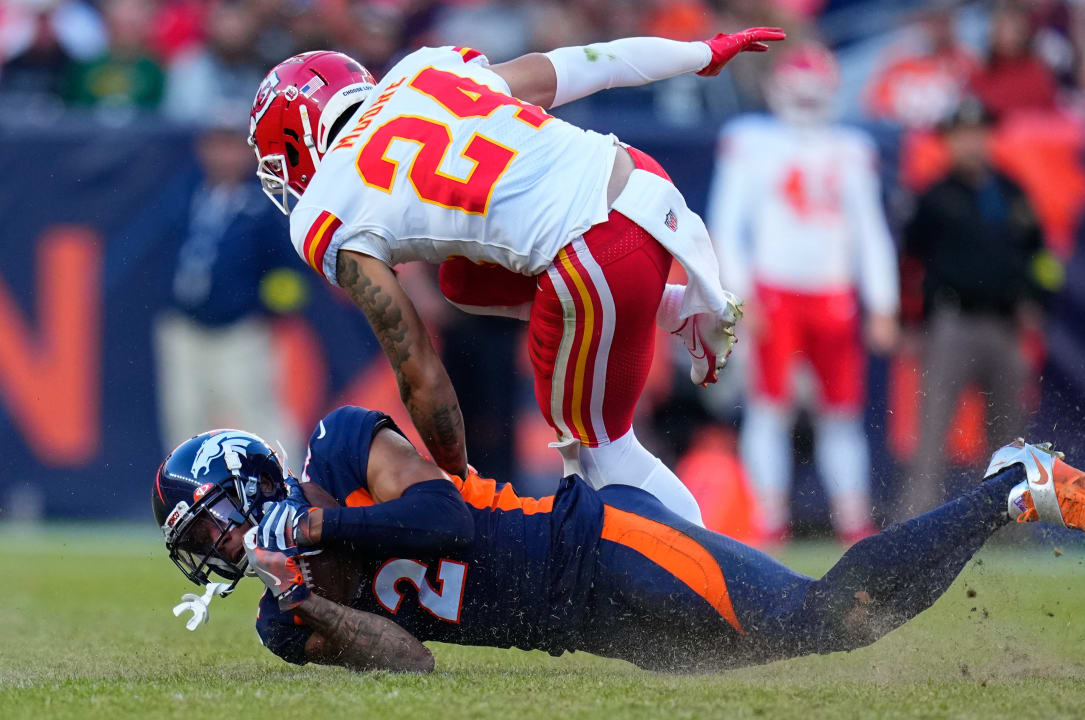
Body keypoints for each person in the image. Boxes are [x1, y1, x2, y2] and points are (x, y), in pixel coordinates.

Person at [246, 30, 786, 526]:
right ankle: (671, 307)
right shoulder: (423, 71)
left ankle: (721, 586)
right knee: (460, 282)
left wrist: (457, 480)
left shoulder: (324, 210)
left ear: (299, 140)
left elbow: (419, 370)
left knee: (598, 453)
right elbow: (584, 63)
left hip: (594, 249)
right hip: (640, 182)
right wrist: (699, 53)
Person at [151, 406, 1085, 673]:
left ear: (249, 486)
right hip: (592, 629)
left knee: (827, 613)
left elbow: (443, 516)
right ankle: (1008, 490)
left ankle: (1011, 482)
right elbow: (409, 663)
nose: (212, 548)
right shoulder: (287, 619)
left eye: (209, 522)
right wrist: (300, 587)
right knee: (833, 629)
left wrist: (319, 523)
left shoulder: (339, 448)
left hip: (598, 546)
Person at [708, 43, 898, 546]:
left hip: (833, 296)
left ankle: (852, 520)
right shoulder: (751, 140)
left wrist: (883, 303)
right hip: (775, 294)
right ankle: (767, 518)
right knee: (769, 410)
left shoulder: (852, 148)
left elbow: (870, 230)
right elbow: (727, 224)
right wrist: (741, 296)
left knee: (841, 413)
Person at [899, 98, 1047, 520]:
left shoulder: (1011, 192)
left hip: (1004, 326)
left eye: (977, 134)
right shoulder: (934, 197)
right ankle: (916, 524)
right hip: (951, 323)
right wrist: (910, 321)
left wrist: (1036, 299)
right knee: (932, 434)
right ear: (948, 142)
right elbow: (907, 264)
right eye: (961, 136)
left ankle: (1013, 528)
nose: (970, 143)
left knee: (1011, 440)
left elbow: (1041, 257)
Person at [154, 117, 306, 467]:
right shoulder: (188, 191)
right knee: (184, 418)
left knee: (258, 416)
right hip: (184, 323)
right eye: (216, 144)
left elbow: (289, 271)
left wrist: (266, 309)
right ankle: (188, 498)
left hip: (240, 329)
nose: (224, 155)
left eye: (233, 145)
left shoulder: (265, 204)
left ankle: (289, 490)